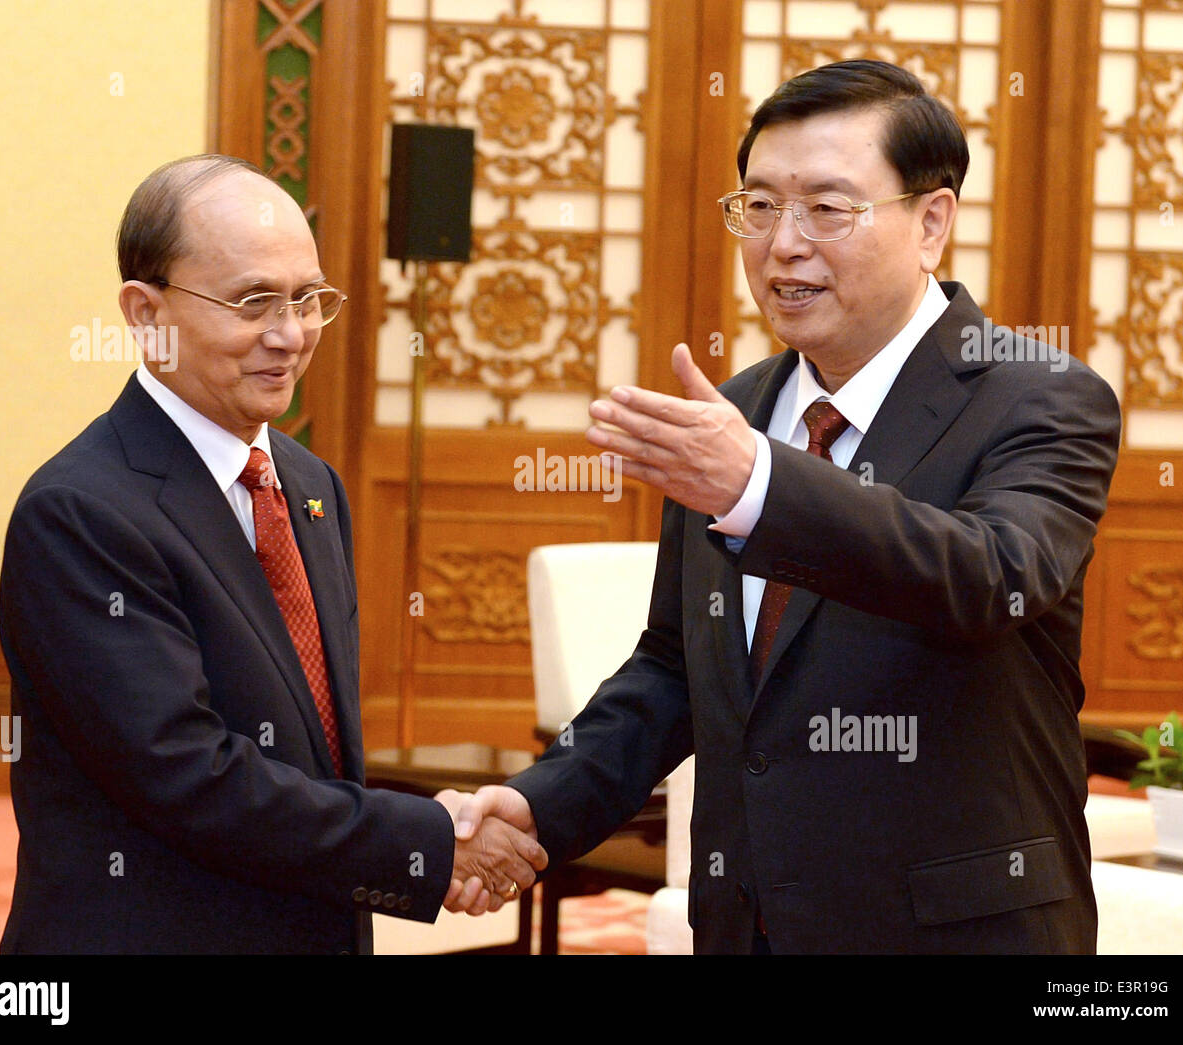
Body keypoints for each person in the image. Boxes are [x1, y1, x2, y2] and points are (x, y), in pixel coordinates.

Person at [443, 60, 1121, 954]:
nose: (784, 244)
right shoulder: (736, 413)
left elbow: (988, 576)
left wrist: (758, 486)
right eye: (758, 207)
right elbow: (677, 671)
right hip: (749, 925)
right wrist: (541, 799)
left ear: (931, 222)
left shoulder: (1040, 395)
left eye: (827, 209)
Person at [0, 155, 544, 954]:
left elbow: (311, 756)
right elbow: (191, 777)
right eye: (253, 301)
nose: (290, 334)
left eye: (308, 298)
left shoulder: (307, 482)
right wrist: (430, 839)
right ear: (144, 311)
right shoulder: (79, 512)